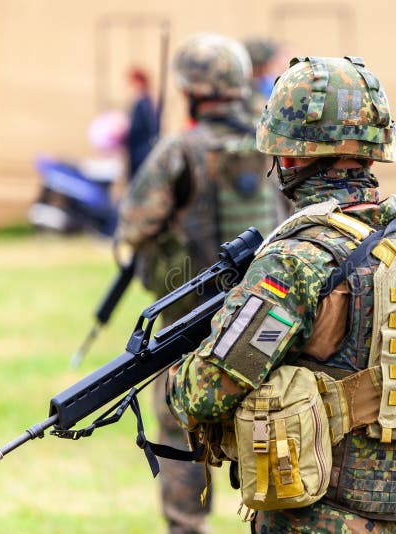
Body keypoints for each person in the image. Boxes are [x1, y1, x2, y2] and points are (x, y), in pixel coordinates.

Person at [166, 56, 396, 533]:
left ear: (288, 156)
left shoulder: (298, 260)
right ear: (374, 150)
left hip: (319, 517)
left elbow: (203, 394)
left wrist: (180, 370)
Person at [117, 33, 283, 534]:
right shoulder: (273, 145)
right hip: (267, 325)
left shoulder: (180, 151)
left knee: (178, 438)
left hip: (191, 329)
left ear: (189, 90)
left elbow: (132, 225)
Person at [125, 67, 160, 180]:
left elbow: (152, 127)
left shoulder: (144, 102)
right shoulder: (142, 101)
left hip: (142, 151)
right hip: (137, 148)